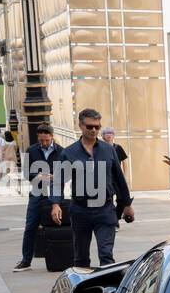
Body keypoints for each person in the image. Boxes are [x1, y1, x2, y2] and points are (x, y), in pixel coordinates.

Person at [55, 108, 133, 267]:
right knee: (81, 258)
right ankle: (83, 290)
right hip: (80, 210)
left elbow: (119, 179)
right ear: (80, 126)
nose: (93, 130)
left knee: (106, 255)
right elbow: (58, 180)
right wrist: (55, 203)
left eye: (97, 127)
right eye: (89, 126)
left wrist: (127, 205)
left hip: (104, 210)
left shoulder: (108, 150)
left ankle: (108, 290)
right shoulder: (69, 153)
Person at [14, 123, 66, 272]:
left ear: (52, 137)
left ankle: (61, 259)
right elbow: (26, 174)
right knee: (30, 226)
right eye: (41, 140)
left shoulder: (61, 152)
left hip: (56, 193)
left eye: (46, 140)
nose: (44, 143)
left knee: (58, 227)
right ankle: (26, 260)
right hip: (37, 193)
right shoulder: (31, 150)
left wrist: (56, 176)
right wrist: (37, 176)